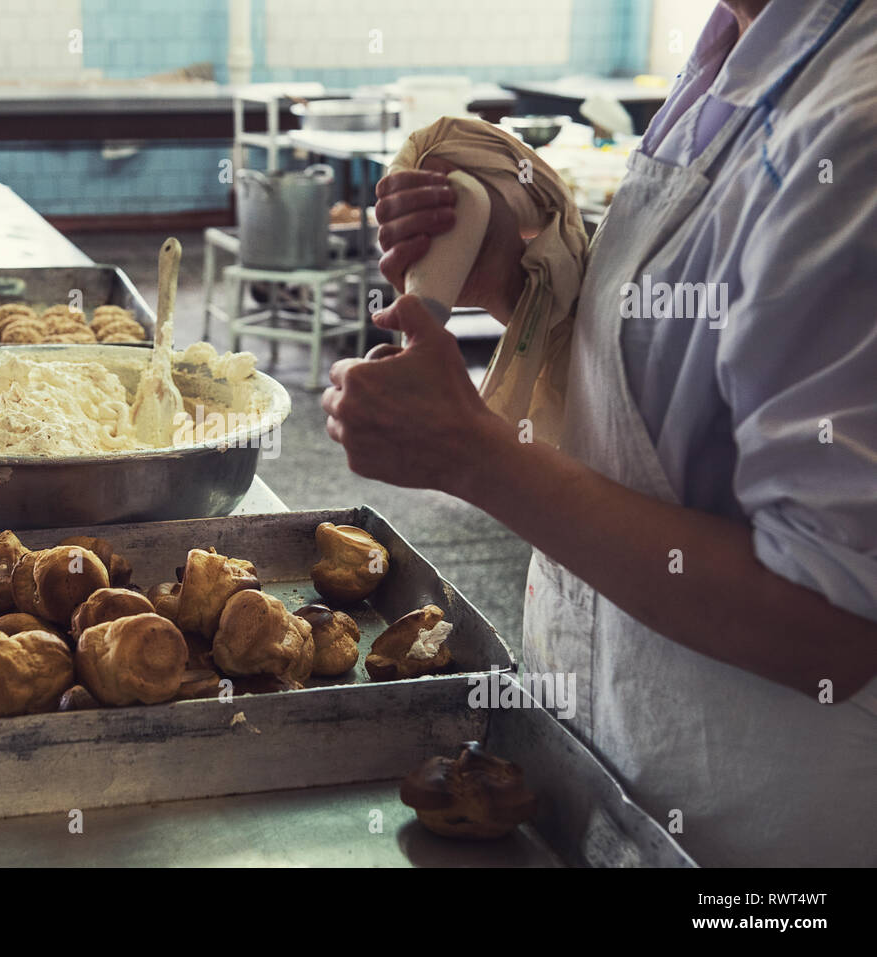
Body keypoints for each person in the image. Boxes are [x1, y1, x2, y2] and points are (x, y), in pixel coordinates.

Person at [324, 0, 877, 866]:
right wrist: (520, 277)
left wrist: (476, 455)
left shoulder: (853, 131)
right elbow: (669, 405)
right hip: (619, 771)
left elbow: (836, 628)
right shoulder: (731, 54)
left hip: (763, 829)